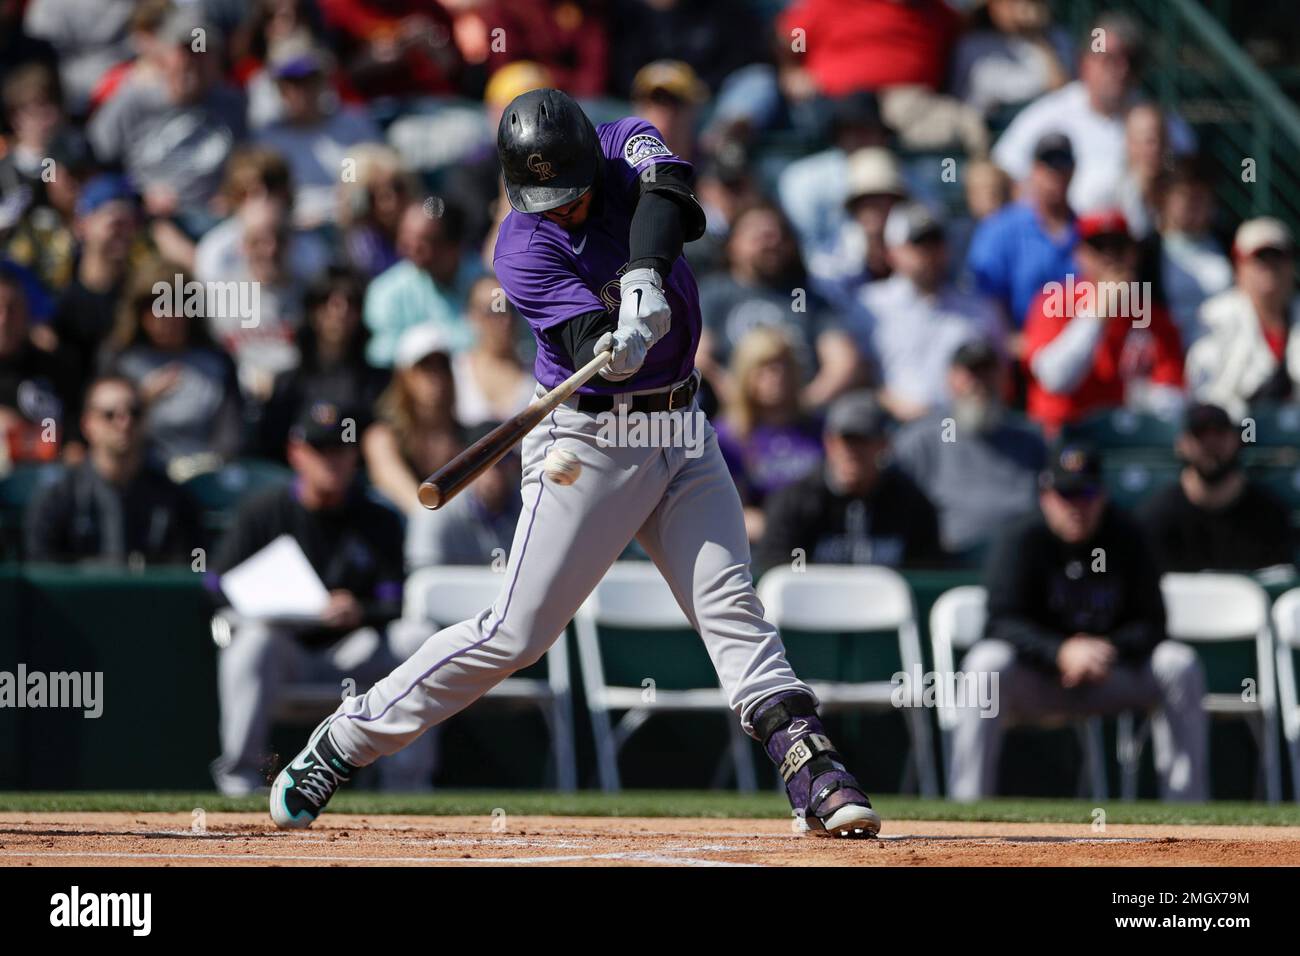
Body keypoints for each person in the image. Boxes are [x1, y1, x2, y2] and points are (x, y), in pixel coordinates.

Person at [270, 89, 883, 839]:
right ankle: (345, 740)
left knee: (732, 607)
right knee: (514, 634)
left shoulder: (626, 140)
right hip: (588, 444)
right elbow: (598, 344)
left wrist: (646, 275)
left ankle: (813, 767)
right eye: (541, 197)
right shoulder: (521, 249)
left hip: (684, 430)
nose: (558, 210)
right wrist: (612, 348)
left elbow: (669, 194)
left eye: (568, 192)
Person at [950, 444, 1209, 801]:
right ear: (1045, 496)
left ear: (1101, 495)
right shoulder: (1022, 538)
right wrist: (1060, 652)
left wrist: (1108, 651)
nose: (1077, 506)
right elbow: (1000, 623)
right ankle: (966, 805)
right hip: (1040, 677)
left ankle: (1187, 809)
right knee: (985, 666)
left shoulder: (1128, 534)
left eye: (1086, 493)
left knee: (1179, 664)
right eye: (1065, 493)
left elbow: (1153, 622)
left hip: (1111, 674)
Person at [208, 400, 430, 796]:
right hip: (287, 650)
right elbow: (214, 587)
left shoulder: (375, 518)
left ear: (354, 456)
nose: (330, 462)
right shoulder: (264, 512)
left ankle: (407, 786)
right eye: (319, 451)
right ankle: (239, 782)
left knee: (414, 639)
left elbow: (396, 602)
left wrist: (358, 610)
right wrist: (280, 608)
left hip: (355, 652)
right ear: (296, 453)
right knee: (252, 640)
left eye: (339, 451)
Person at [990, 13, 1193, 216]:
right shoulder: (1049, 113)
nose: (1122, 69)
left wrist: (1161, 167)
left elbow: (1185, 165)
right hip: (1066, 237)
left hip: (1136, 239)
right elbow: (1004, 168)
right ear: (1085, 62)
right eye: (1109, 59)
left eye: (1130, 59)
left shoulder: (1155, 119)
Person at [1022, 209, 1185, 435]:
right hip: (1063, 436)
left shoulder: (1153, 316)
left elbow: (1173, 402)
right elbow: (1056, 379)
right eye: (1099, 248)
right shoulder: (1053, 302)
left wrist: (1128, 393)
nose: (1109, 257)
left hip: (1129, 440)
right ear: (1080, 255)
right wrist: (1098, 313)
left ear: (1134, 254)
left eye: (1118, 248)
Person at [86, 9, 247, 235]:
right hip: (149, 223)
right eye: (185, 51)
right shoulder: (133, 102)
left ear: (217, 61)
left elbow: (249, 162)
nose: (193, 62)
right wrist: (140, 194)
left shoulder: (233, 105)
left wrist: (232, 193)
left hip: (217, 222)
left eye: (202, 52)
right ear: (163, 57)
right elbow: (90, 161)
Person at [756, 390, 942, 574]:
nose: (852, 452)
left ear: (884, 444)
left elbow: (926, 573)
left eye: (863, 441)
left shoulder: (910, 504)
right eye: (846, 441)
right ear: (829, 443)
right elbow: (774, 571)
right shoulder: (795, 503)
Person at [697, 201, 860, 410]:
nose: (771, 243)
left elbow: (843, 362)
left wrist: (804, 404)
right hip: (734, 420)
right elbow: (701, 357)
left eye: (777, 236)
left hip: (802, 419)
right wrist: (735, 396)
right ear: (733, 245)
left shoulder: (802, 296)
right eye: (759, 237)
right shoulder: (715, 293)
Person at [892, 340, 1046, 560]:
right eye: (971, 373)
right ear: (951, 379)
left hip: (1021, 559)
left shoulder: (1030, 440)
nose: (979, 383)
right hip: (947, 564)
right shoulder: (923, 440)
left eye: (987, 372)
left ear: (1003, 379)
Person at [24, 375, 202, 563]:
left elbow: (195, 571)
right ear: (87, 425)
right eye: (109, 415)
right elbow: (42, 572)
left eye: (135, 412)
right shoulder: (56, 500)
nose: (124, 423)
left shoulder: (175, 500)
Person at [854, 202, 1004, 422]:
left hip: (965, 428)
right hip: (893, 428)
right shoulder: (868, 306)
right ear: (892, 252)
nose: (929, 253)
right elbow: (858, 378)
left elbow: (1000, 374)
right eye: (918, 244)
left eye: (935, 242)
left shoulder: (979, 308)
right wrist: (889, 402)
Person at [102, 261, 243, 477]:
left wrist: (206, 466)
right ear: (140, 314)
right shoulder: (120, 362)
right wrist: (139, 402)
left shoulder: (217, 363)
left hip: (205, 474)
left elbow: (231, 436)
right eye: (157, 309)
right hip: (138, 473)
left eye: (174, 306)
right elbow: (102, 426)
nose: (166, 318)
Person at [1138, 403, 1294, 573]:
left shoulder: (1270, 514)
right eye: (1200, 434)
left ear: (1236, 440)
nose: (1211, 443)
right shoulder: (1156, 518)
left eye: (1220, 433)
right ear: (1182, 444)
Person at [256, 267, 389, 461]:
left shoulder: (377, 383)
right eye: (328, 301)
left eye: (350, 303)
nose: (340, 311)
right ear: (313, 310)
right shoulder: (288, 383)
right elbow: (272, 447)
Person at [253, 39, 383, 229]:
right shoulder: (267, 138)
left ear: (323, 81)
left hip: (355, 223)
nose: (300, 91)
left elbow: (378, 176)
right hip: (292, 231)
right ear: (279, 89)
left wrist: (351, 205)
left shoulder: (353, 124)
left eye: (308, 80)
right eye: (291, 83)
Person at [714, 326, 824, 543]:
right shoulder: (727, 437)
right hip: (755, 545)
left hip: (814, 540)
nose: (776, 376)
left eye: (783, 365)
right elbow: (719, 507)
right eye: (764, 368)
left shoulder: (820, 429)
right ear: (745, 374)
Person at [966, 132, 1078, 337]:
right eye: (1048, 165)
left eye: (1063, 164)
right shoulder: (999, 229)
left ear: (1073, 170)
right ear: (1034, 170)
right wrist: (1007, 339)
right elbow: (984, 298)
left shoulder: (1088, 231)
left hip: (1081, 347)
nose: (1055, 173)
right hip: (1018, 348)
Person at [1186, 218, 1300, 418]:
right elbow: (1203, 395)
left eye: (1277, 258)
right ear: (1238, 267)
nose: (1270, 269)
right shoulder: (1213, 318)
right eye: (1260, 260)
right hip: (1234, 439)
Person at [363, 201, 480, 368]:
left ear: (453, 246)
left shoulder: (488, 283)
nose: (409, 246)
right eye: (405, 236)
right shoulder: (385, 292)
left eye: (424, 241)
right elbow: (380, 354)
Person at [362, 323, 464, 514]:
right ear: (404, 377)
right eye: (424, 366)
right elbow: (413, 504)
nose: (435, 376)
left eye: (442, 366)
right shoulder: (382, 438)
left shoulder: (465, 438)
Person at [405, 421, 523, 572]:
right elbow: (423, 576)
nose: (494, 468)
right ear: (466, 465)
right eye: (483, 460)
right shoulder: (436, 510)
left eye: (504, 457)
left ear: (516, 462)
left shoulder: (532, 505)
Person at [1138, 157, 1232, 344]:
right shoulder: (1146, 253)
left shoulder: (1229, 242)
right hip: (1169, 351)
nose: (1195, 204)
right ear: (1165, 199)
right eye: (1186, 196)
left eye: (1202, 196)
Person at [0, 271, 74, 464]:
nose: (4, 319)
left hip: (50, 474)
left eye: (13, 309)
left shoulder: (55, 367)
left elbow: (75, 433)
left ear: (27, 314)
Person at [452, 274, 535, 428]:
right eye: (494, 310)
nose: (506, 320)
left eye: (510, 308)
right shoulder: (455, 374)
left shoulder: (540, 374)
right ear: (472, 316)